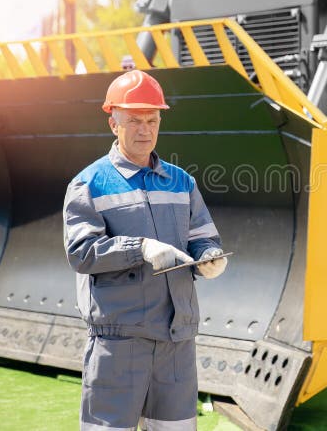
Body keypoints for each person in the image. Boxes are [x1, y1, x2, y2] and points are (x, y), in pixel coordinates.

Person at [63, 69, 228, 430]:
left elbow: (203, 237)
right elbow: (82, 253)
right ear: (113, 123)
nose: (144, 129)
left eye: (152, 120)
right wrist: (139, 248)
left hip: (176, 340)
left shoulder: (182, 181)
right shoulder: (88, 184)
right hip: (119, 343)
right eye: (134, 121)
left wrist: (207, 258)